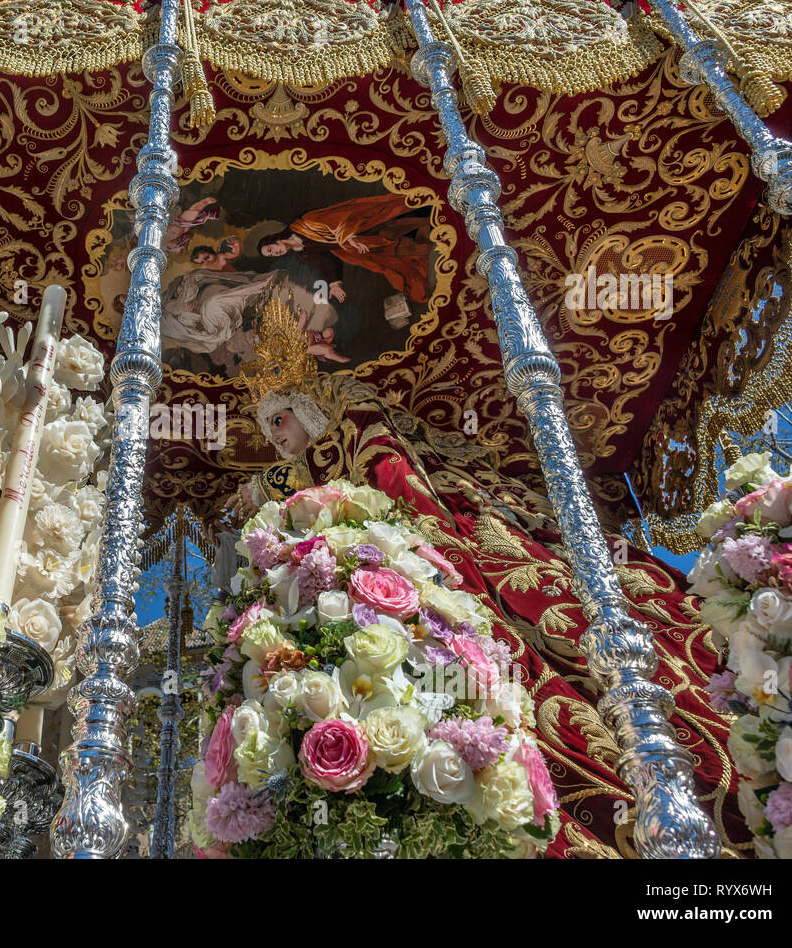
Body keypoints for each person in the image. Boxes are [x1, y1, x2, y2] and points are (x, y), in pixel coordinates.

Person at [222, 294, 749, 858]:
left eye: (279, 419)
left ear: (306, 410)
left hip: (419, 542)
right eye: (266, 427)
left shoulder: (354, 426)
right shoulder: (292, 478)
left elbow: (390, 475)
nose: (274, 435)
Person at [259, 192, 432, 303]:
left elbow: (333, 219)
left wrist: (349, 237)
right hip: (360, 242)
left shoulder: (303, 223)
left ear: (274, 240)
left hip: (361, 224)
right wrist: (334, 284)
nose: (276, 253)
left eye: (271, 249)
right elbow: (325, 262)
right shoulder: (304, 252)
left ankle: (430, 215)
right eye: (272, 255)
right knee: (396, 254)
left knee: (403, 221)